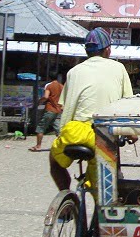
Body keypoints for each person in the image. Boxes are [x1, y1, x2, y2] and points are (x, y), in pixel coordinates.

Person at [48, 28, 133, 191]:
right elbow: (127, 105)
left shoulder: (73, 72)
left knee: (54, 161)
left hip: (75, 132)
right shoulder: (119, 68)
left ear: (87, 50)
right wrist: (130, 132)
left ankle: (66, 198)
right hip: (104, 134)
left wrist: (63, 132)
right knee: (103, 187)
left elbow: (64, 107)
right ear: (108, 50)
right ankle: (98, 209)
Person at [30, 73, 64, 152]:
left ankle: (38, 146)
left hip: (50, 109)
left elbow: (46, 96)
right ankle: (62, 146)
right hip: (59, 110)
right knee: (58, 129)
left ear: (49, 77)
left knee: (41, 127)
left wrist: (39, 101)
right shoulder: (62, 86)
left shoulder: (49, 86)